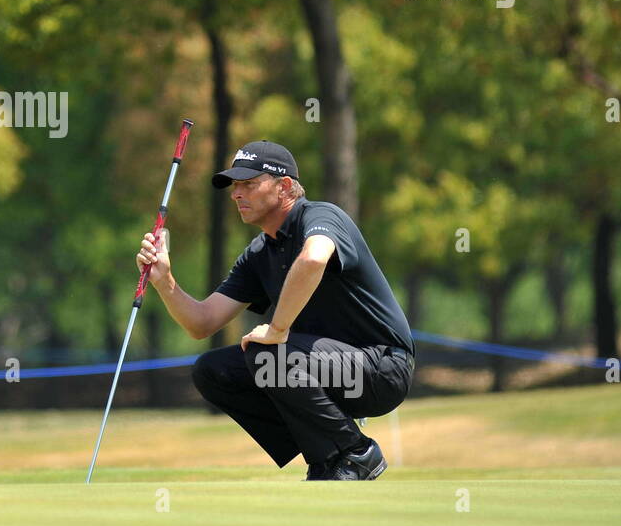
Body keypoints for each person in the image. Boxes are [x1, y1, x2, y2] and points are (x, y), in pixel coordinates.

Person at [136, 140, 415, 480]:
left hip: (381, 369)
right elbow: (202, 323)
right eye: (235, 186)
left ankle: (354, 452)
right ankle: (327, 455)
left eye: (249, 184)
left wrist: (277, 328)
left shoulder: (321, 216)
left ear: (284, 187)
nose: (237, 194)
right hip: (326, 370)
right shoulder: (259, 253)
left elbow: (313, 258)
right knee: (213, 370)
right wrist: (165, 282)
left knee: (265, 351)